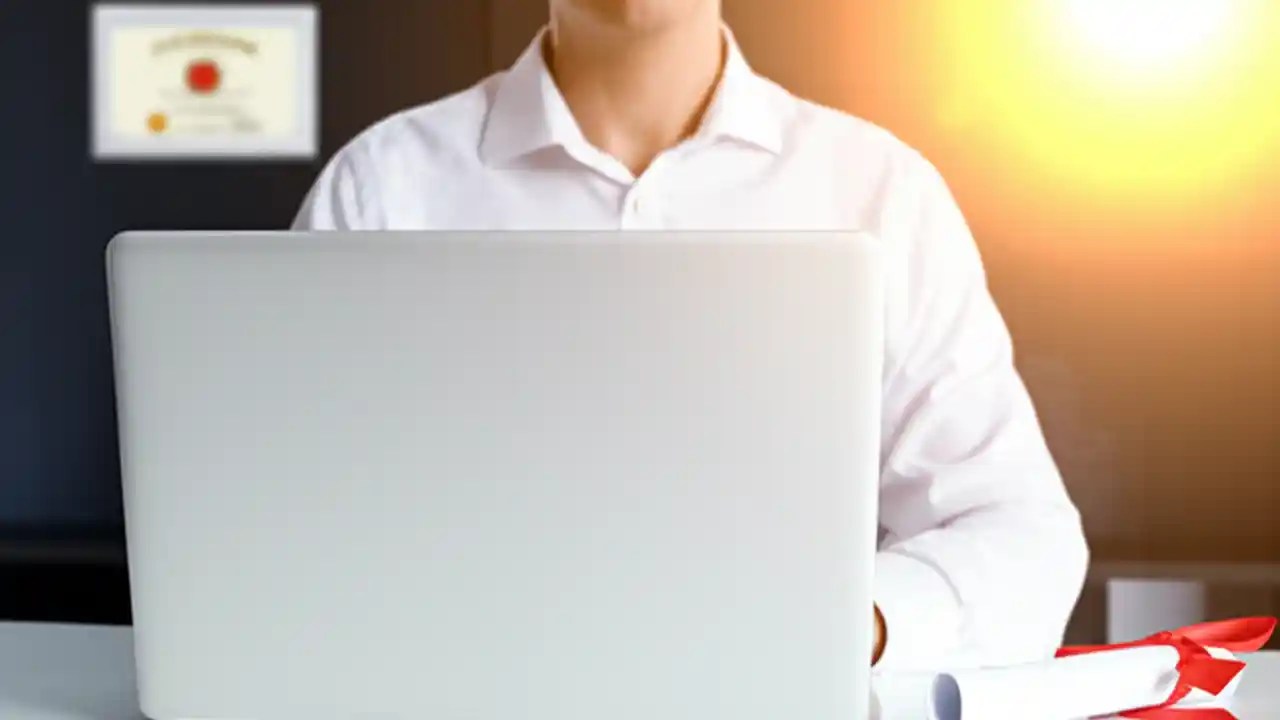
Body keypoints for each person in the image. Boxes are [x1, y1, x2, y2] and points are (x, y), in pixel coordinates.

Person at [294, 0, 1088, 670]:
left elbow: (1020, 535)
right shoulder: (384, 188)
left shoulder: (878, 192)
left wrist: (853, 622)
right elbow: (285, 524)